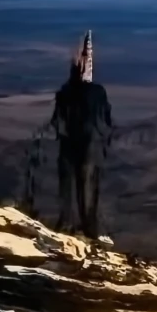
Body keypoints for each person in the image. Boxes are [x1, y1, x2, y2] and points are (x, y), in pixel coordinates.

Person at [50, 31, 113, 238]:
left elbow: (57, 121)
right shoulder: (95, 92)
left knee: (73, 186)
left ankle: (72, 226)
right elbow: (106, 120)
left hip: (74, 146)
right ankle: (86, 229)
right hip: (88, 147)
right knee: (86, 187)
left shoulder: (66, 92)